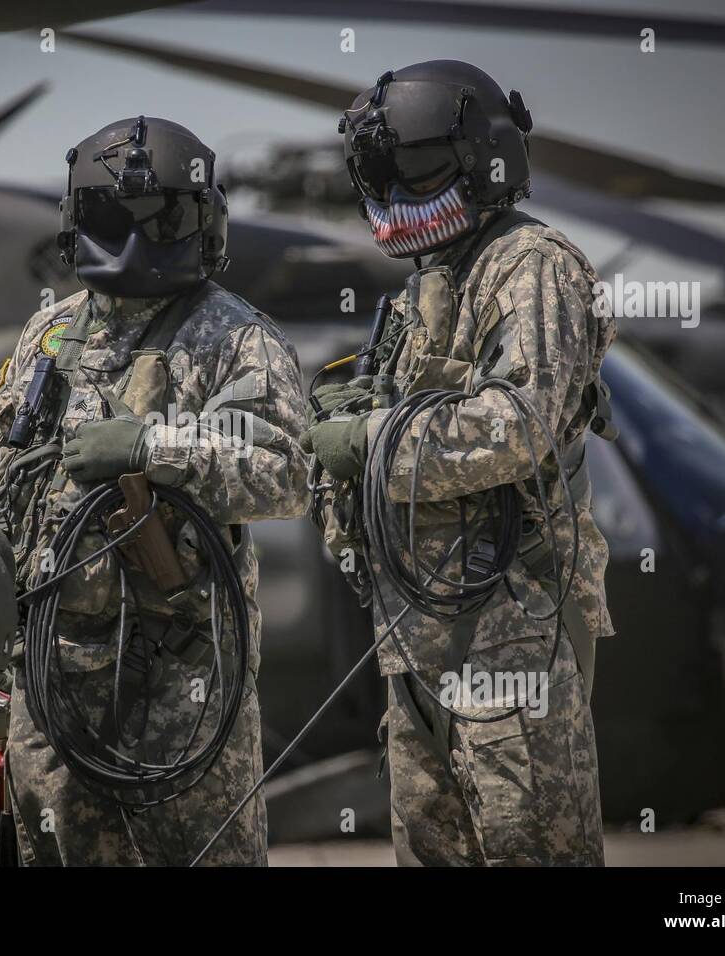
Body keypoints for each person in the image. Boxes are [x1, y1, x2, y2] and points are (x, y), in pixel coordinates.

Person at [0, 116, 310, 865]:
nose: (139, 236)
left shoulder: (234, 337)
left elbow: (286, 471)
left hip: (177, 686)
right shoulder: (50, 335)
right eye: (119, 217)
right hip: (50, 682)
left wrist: (157, 448)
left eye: (161, 217)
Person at [301, 61, 616, 866]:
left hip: (511, 644)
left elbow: (522, 425)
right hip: (419, 644)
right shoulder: (423, 291)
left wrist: (373, 441)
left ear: (480, 160)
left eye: (414, 167)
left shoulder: (530, 264)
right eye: (381, 171)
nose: (397, 190)